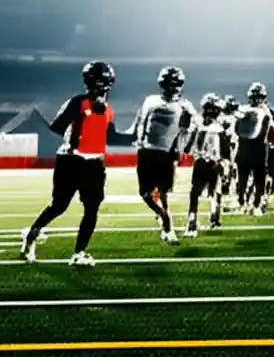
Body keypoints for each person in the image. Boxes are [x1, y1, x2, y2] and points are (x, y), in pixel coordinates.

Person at [20, 61, 129, 266]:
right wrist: (79, 121)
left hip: (94, 163)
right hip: (71, 159)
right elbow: (58, 126)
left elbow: (111, 137)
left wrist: (137, 136)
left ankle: (79, 252)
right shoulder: (78, 102)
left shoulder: (108, 110)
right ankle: (32, 234)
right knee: (59, 206)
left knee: (91, 208)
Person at [130, 66, 196, 245]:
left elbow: (188, 132)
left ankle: (167, 225)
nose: (171, 88)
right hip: (147, 151)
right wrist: (139, 140)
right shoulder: (151, 101)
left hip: (166, 153)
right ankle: (164, 218)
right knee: (145, 194)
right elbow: (141, 122)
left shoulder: (185, 107)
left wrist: (182, 149)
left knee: (163, 193)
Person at [183, 93, 228, 234]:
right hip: (213, 162)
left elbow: (189, 143)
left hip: (203, 161)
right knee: (214, 192)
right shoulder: (219, 127)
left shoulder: (199, 123)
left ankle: (192, 222)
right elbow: (225, 150)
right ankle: (214, 219)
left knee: (196, 193)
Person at [233, 82, 273, 215]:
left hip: (252, 147)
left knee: (252, 178)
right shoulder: (261, 111)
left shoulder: (259, 111)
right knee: (248, 178)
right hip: (253, 147)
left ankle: (251, 203)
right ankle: (248, 203)